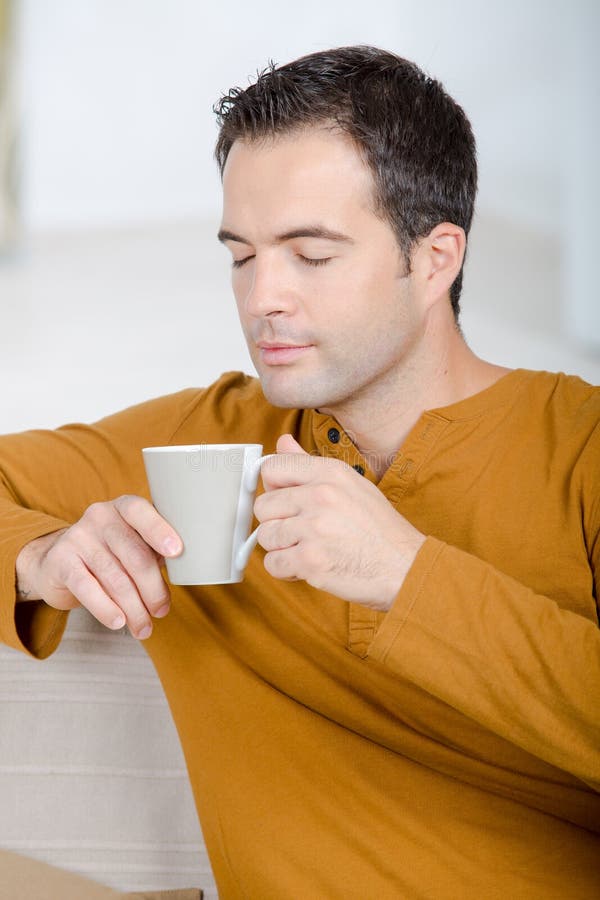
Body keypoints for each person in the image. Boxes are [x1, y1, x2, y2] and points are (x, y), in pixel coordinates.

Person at [0, 44, 598, 899]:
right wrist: (40, 553)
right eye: (241, 256)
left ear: (435, 259)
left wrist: (407, 578)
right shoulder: (206, 446)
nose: (260, 298)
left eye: (309, 255)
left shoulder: (579, 447)